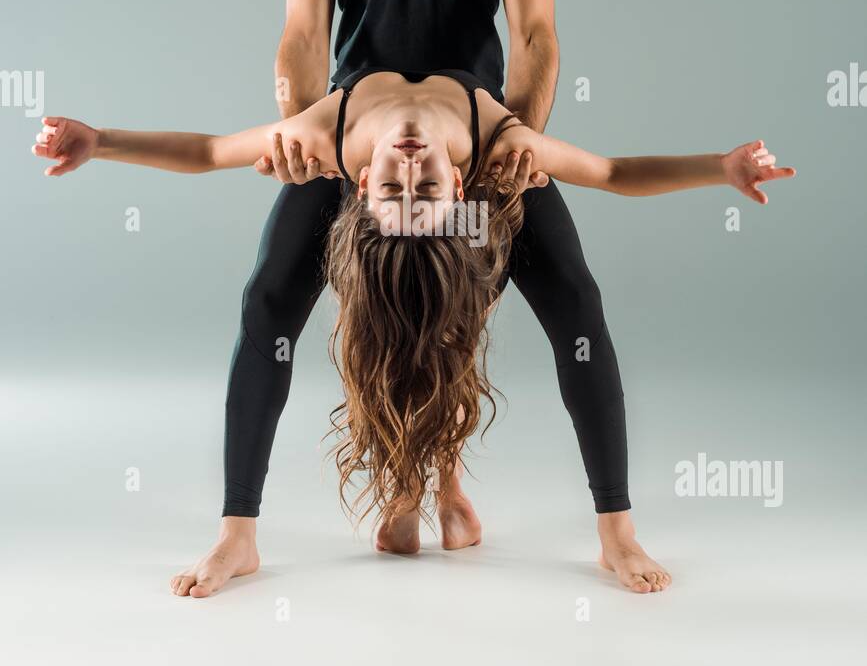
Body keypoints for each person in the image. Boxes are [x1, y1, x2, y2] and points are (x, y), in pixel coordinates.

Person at [32, 68, 794, 577]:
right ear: (451, 181)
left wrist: (103, 142)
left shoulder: (337, 144)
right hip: (461, 201)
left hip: (452, 210)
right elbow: (614, 172)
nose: (406, 162)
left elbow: (207, 151)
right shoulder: (497, 148)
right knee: (275, 303)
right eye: (416, 180)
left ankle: (609, 533)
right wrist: (716, 165)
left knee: (538, 309)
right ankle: (247, 532)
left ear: (362, 186)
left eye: (403, 184)